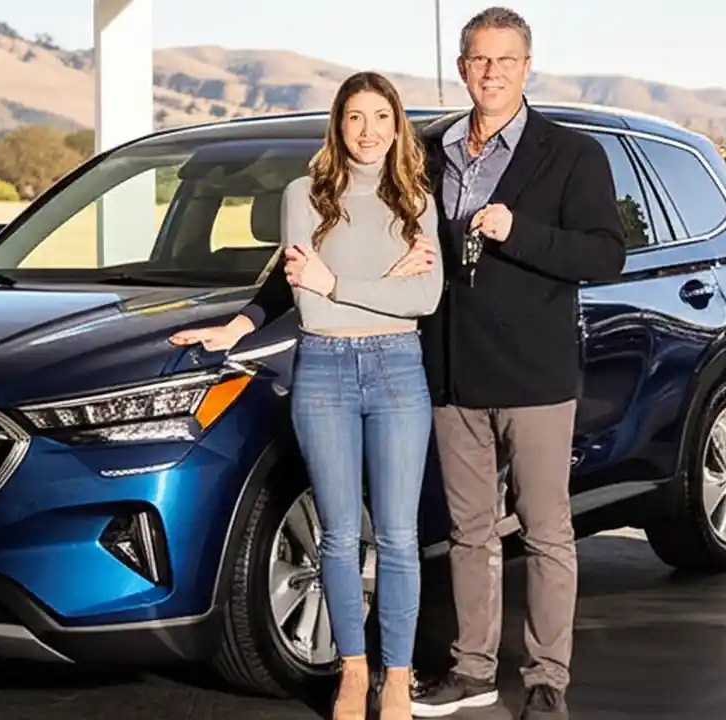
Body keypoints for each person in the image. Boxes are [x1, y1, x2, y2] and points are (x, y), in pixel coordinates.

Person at [170, 71, 445, 720]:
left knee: (400, 537)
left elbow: (425, 300)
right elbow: (312, 310)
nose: (369, 131)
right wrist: (374, 281)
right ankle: (353, 670)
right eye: (355, 117)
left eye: (382, 116)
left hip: (399, 370)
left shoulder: (418, 203)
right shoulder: (305, 195)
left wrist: (333, 275)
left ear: (398, 125)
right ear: (337, 124)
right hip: (322, 370)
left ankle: (397, 676)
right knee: (339, 535)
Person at [398, 7, 626, 720]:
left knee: (546, 532)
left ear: (528, 68)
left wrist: (518, 230)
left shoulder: (572, 154)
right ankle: (471, 671)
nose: (489, 72)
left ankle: (547, 679)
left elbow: (603, 255)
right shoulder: (430, 151)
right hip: (453, 371)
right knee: (468, 531)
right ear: (462, 67)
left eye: (504, 60)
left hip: (534, 375)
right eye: (477, 60)